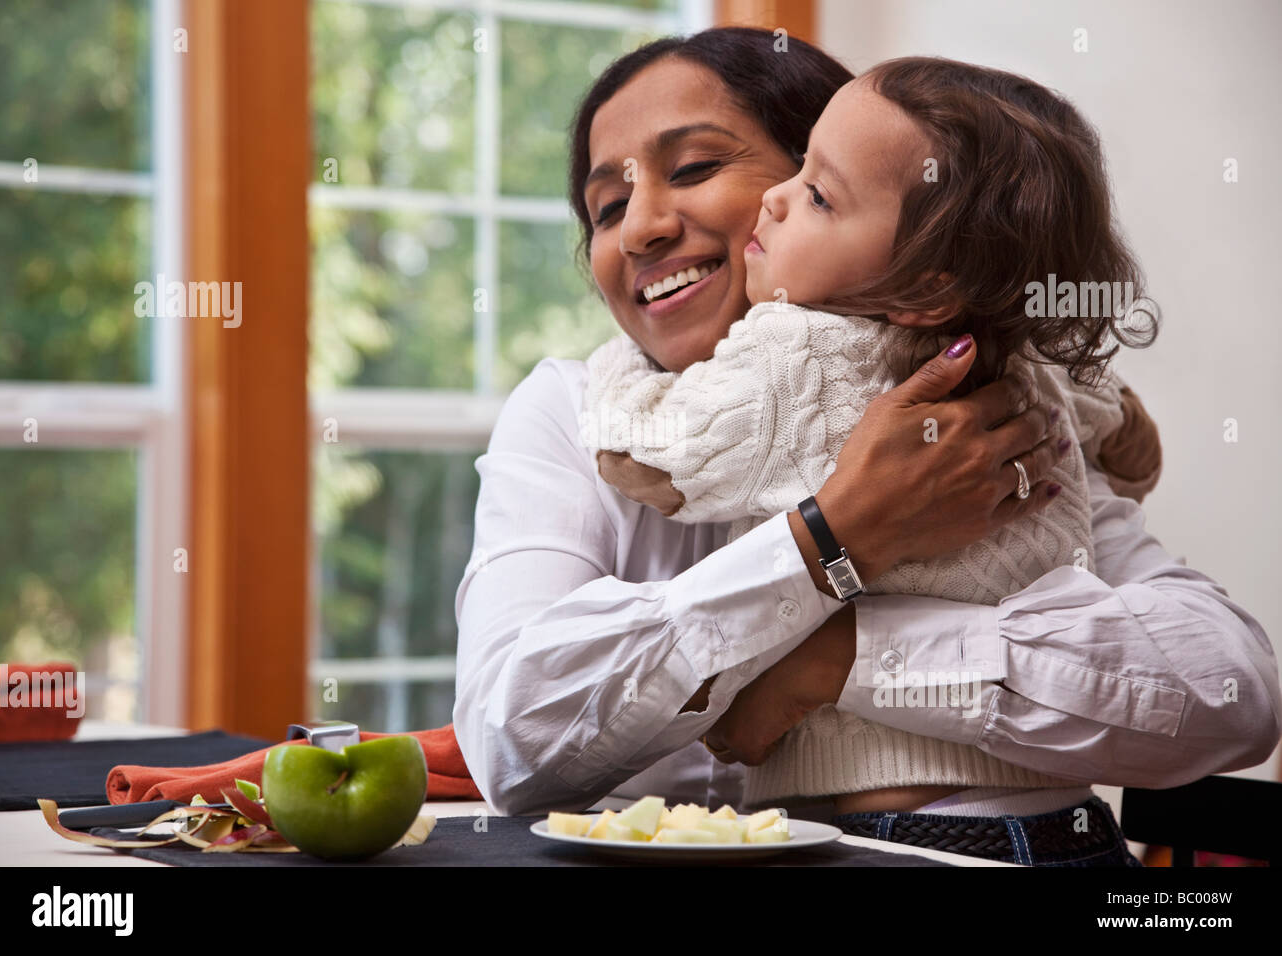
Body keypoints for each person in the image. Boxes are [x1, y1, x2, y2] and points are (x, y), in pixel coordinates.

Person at [452, 27, 1280, 866]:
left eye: (697, 167)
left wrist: (844, 656)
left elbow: (1232, 693)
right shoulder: (580, 410)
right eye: (607, 208)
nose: (641, 229)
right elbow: (512, 742)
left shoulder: (988, 411)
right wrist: (833, 538)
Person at [580, 55, 1164, 826]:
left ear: (928, 286)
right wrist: (1130, 438)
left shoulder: (797, 351)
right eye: (609, 207)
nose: (779, 202)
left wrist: (612, 365)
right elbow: (1123, 431)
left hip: (889, 827)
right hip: (1057, 818)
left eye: (816, 192)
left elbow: (649, 458)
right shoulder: (1024, 362)